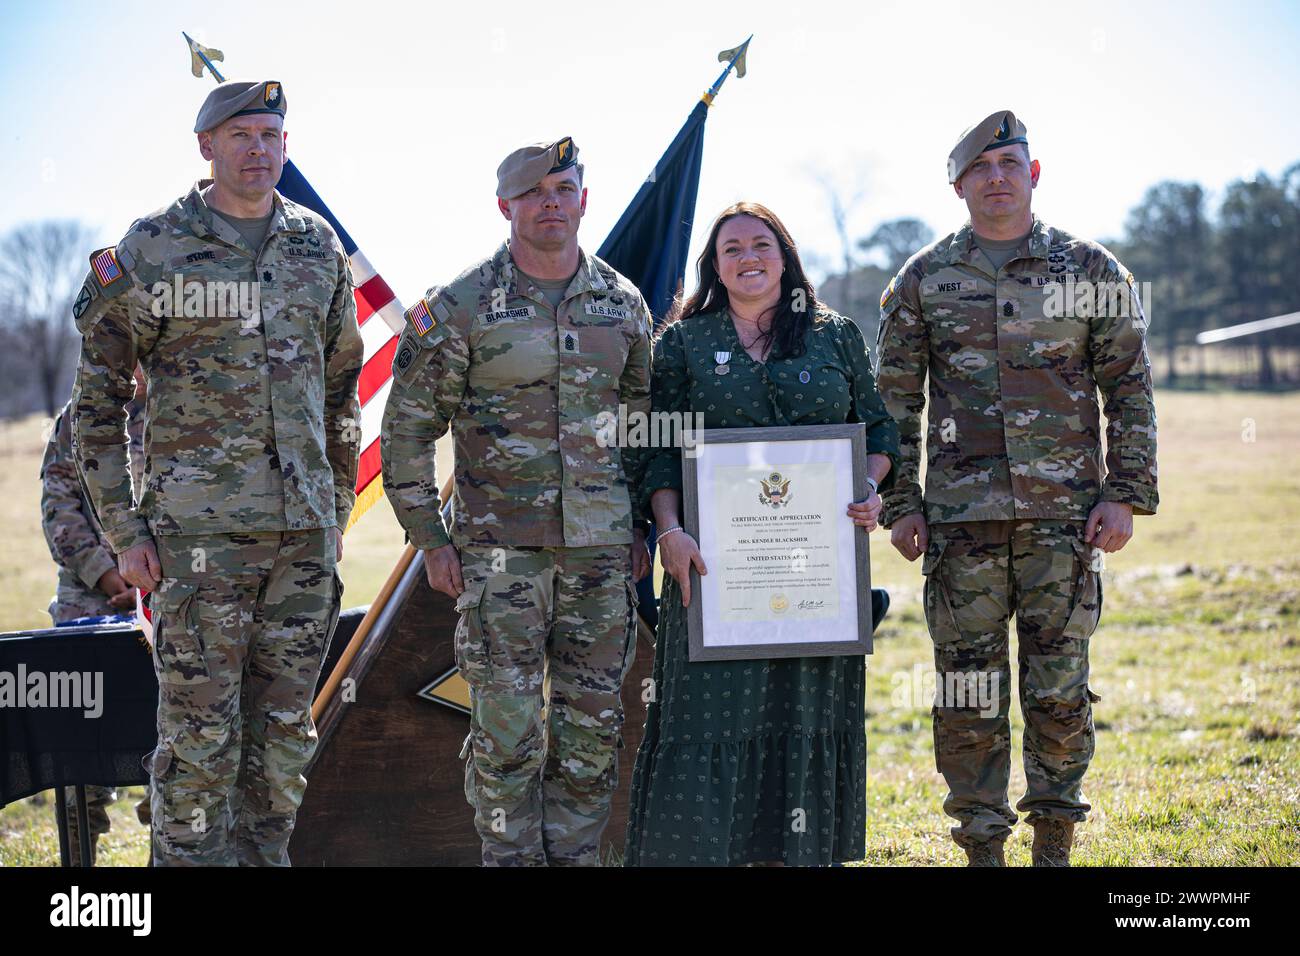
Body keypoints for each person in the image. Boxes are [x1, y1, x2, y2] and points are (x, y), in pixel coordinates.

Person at [70, 79, 363, 866]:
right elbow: (95, 406)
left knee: (282, 746)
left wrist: (334, 503)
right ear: (206, 147)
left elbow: (341, 390)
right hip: (197, 543)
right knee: (199, 749)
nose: (259, 150)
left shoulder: (316, 247)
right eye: (241, 135)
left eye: (271, 135)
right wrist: (124, 534)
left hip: (302, 542)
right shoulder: (153, 248)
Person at [875, 110, 1158, 866]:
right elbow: (893, 405)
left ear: (1033, 173)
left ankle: (1055, 841)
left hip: (1066, 522)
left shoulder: (1091, 271)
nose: (996, 179)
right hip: (960, 525)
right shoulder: (924, 279)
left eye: (1009, 163)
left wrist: (1123, 493)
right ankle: (982, 847)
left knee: (1060, 690)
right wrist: (901, 506)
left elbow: (1128, 386)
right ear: (958, 185)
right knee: (968, 695)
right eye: (980, 169)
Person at [381, 137, 653, 866]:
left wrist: (644, 531)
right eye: (534, 193)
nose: (552, 204)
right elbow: (404, 434)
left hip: (600, 559)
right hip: (500, 563)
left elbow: (644, 427)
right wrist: (430, 540)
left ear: (584, 199)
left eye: (564, 188)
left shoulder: (623, 305)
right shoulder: (460, 306)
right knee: (505, 737)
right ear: (505, 207)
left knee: (592, 733)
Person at [624, 202, 899, 866]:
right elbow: (657, 450)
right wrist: (669, 531)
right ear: (715, 267)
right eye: (732, 249)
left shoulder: (836, 335)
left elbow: (881, 432)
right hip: (711, 570)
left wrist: (868, 488)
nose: (748, 257)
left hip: (819, 577)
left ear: (784, 253)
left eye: (761, 244)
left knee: (803, 715)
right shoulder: (683, 344)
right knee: (708, 721)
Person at [39, 369, 145, 864]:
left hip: (168, 604)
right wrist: (107, 575)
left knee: (176, 736)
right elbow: (59, 508)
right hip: (88, 605)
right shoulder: (79, 418)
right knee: (83, 746)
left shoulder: (184, 410)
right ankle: (79, 868)